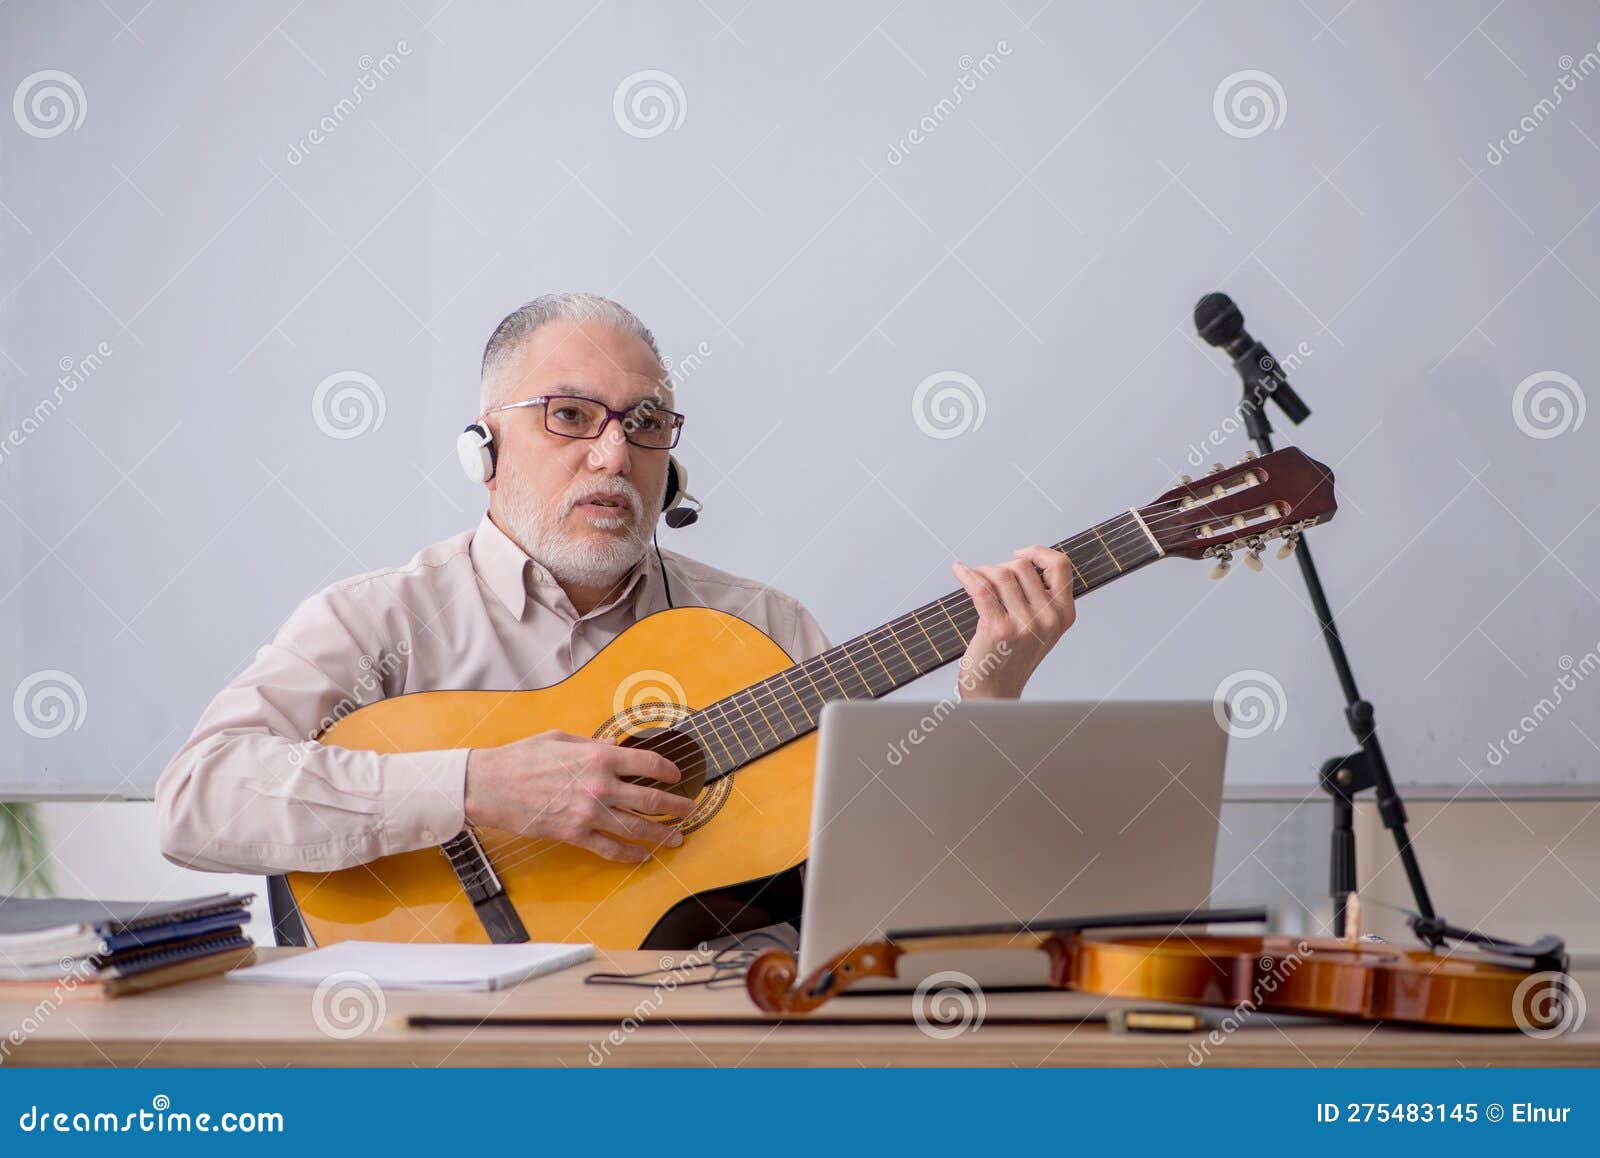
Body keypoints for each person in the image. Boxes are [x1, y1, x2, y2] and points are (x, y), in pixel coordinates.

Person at [156, 294, 1078, 889]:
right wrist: (476, 784)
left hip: (718, 1039)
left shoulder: (763, 628)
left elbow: (886, 880)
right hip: (449, 1044)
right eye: (568, 416)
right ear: (484, 447)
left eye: (645, 424)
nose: (613, 455)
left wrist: (988, 693)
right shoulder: (377, 621)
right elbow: (198, 799)